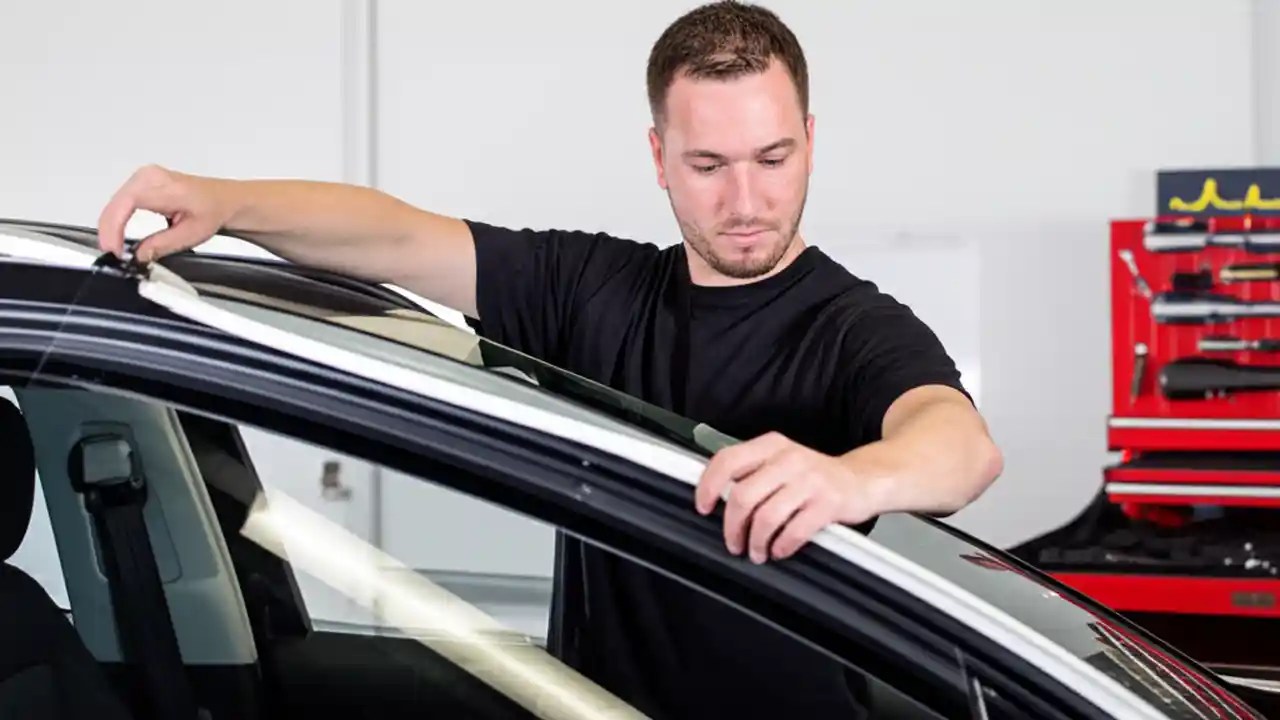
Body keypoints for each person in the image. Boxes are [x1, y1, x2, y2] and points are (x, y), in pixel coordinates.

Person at [98, 2, 1002, 716]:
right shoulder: (592, 289)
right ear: (658, 158)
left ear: (811, 138)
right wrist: (226, 201)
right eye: (707, 164)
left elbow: (957, 446)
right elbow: (398, 236)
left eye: (774, 158)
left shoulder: (851, 327)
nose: (745, 200)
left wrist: (852, 482)